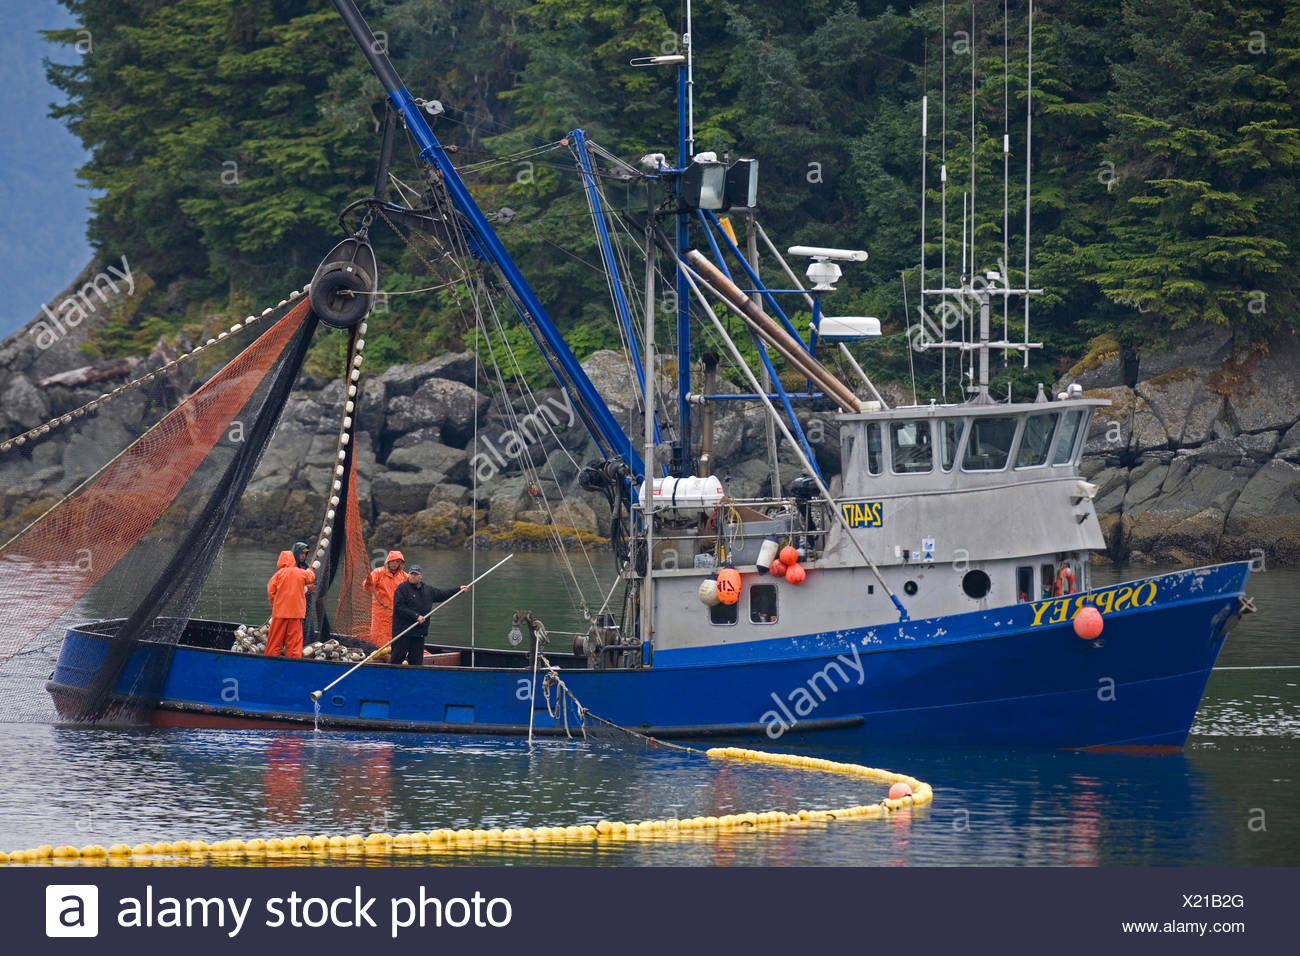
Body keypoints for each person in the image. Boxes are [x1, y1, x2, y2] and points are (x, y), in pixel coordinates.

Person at [390, 565, 467, 665]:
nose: (413, 576)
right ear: (408, 575)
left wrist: (459, 590)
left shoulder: (428, 590)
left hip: (419, 633)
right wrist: (416, 616)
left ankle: (414, 678)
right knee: (396, 659)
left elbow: (443, 594)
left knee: (416, 661)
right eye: (412, 574)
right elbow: (399, 607)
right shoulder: (402, 589)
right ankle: (390, 677)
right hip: (403, 632)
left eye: (416, 574)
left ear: (420, 576)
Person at [266, 549, 315, 659]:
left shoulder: (278, 575)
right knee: (294, 642)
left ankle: (271, 660)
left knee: (275, 640)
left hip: (280, 614)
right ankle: (293, 662)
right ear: (293, 559)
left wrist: (275, 605)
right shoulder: (301, 573)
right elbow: (311, 577)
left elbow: (270, 591)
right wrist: (311, 570)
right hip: (295, 614)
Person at [364, 550, 408, 645]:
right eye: (392, 561)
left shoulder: (404, 576)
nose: (394, 564)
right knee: (378, 636)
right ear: (388, 561)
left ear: (400, 563)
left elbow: (413, 589)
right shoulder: (378, 572)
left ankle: (396, 651)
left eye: (397, 561)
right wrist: (368, 581)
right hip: (381, 611)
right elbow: (367, 587)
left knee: (396, 634)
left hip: (398, 611)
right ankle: (378, 650)